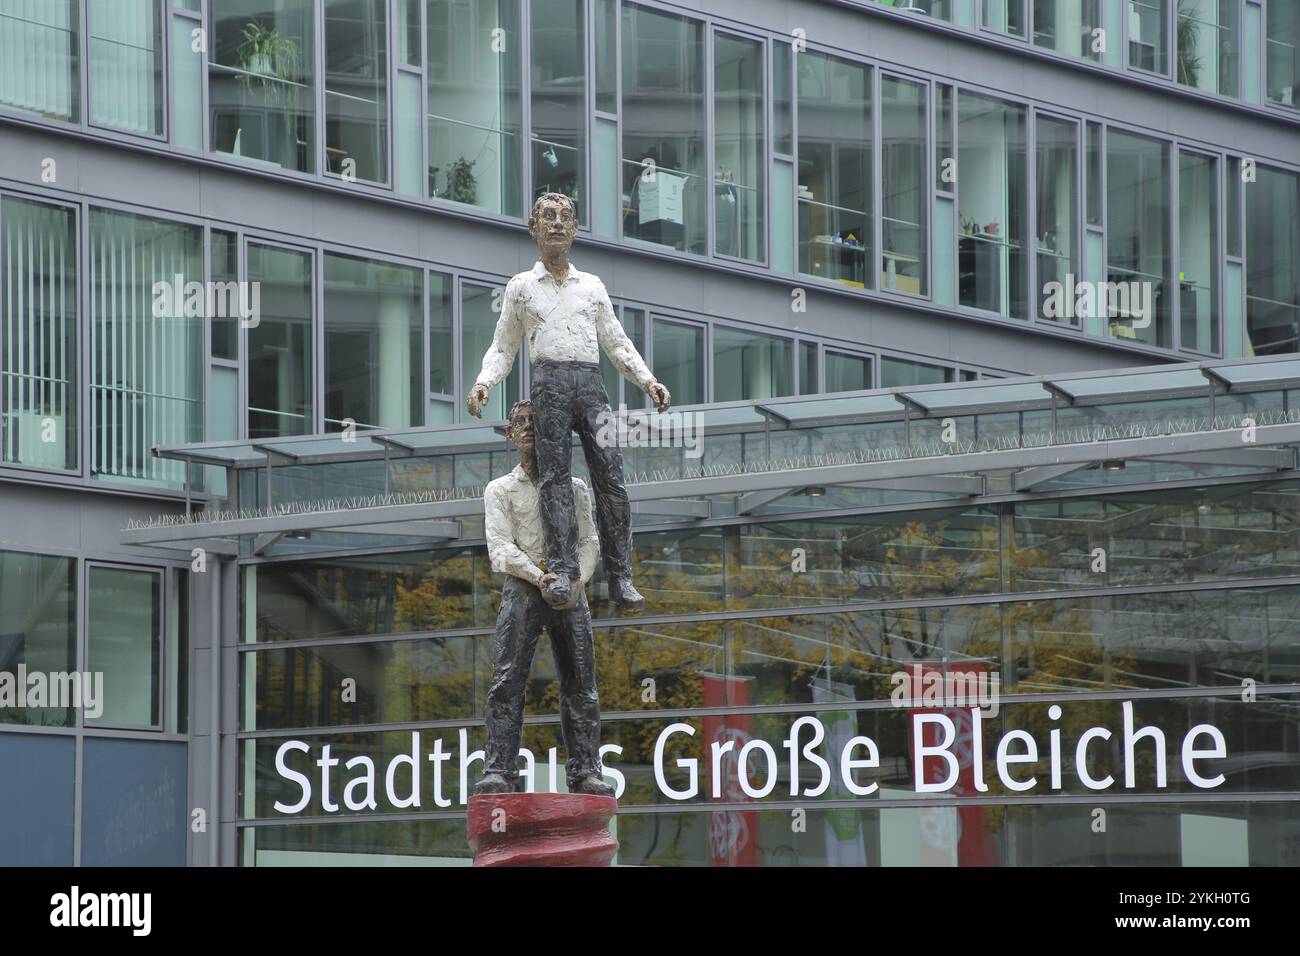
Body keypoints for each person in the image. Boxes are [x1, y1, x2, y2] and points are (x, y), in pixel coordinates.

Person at [467, 192, 670, 614]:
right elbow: (503, 347)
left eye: (565, 217)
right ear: (533, 227)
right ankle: (560, 570)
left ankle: (621, 575)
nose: (557, 223)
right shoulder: (521, 287)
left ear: (575, 229)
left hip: (592, 385)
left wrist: (647, 380)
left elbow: (616, 342)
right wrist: (485, 381)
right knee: (555, 479)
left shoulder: (592, 286)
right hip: (549, 385)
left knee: (611, 478)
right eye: (548, 216)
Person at [473, 399, 613, 797]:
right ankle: (499, 769)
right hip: (523, 587)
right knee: (506, 680)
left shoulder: (575, 488)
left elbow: (590, 541)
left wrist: (575, 581)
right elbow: (500, 548)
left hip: (570, 589)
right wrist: (540, 576)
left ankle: (586, 770)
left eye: (538, 423)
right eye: (521, 423)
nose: (529, 429)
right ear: (510, 434)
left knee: (581, 683)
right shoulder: (499, 490)